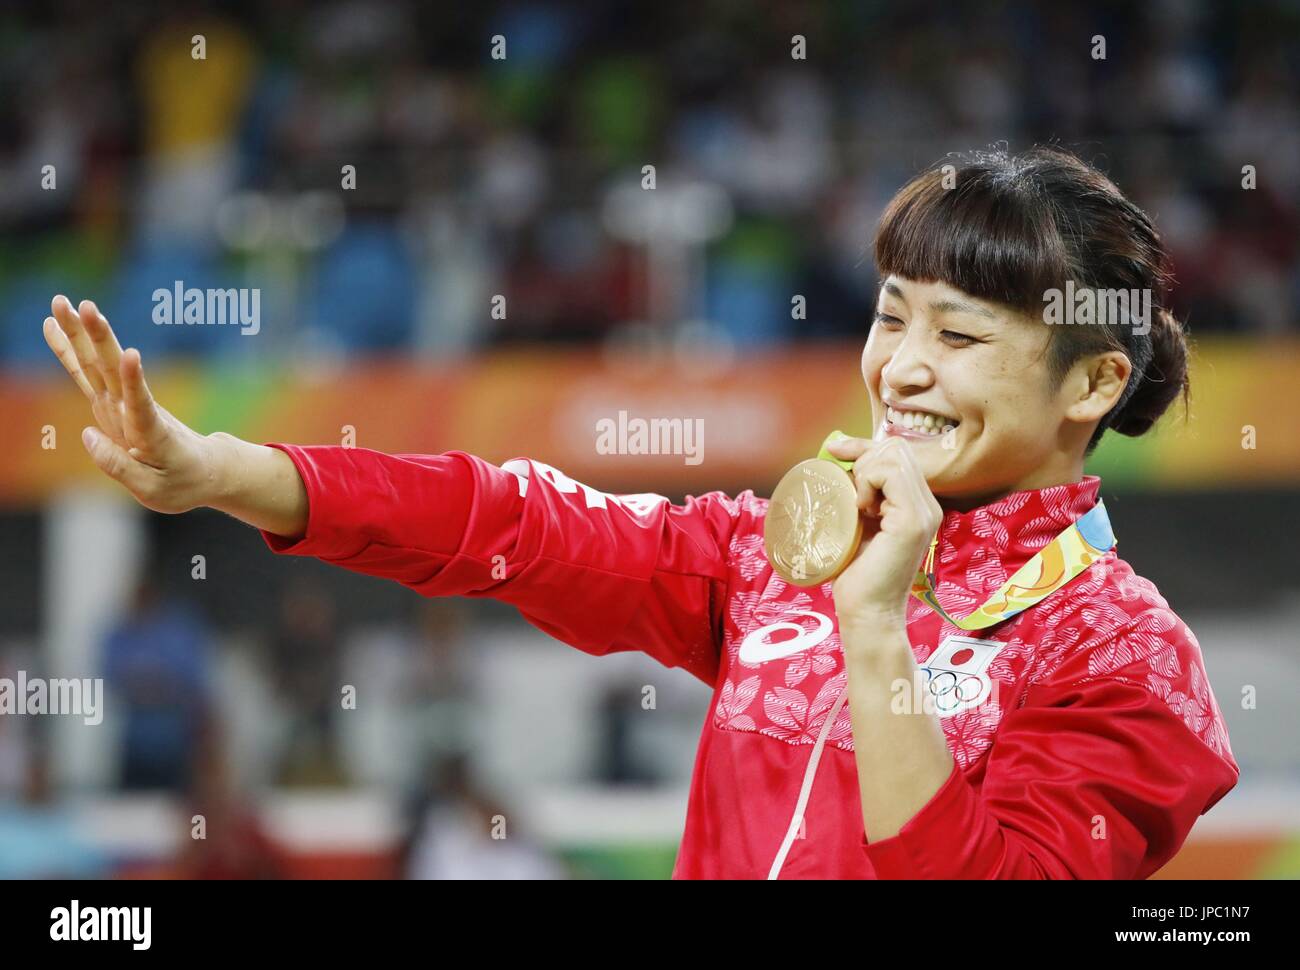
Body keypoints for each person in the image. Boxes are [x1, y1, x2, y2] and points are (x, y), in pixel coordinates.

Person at [43, 145, 1238, 879]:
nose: (904, 368)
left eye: (960, 333)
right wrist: (222, 472)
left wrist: (877, 635)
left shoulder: (1125, 662)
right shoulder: (782, 555)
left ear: (1090, 381)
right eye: (891, 315)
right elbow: (516, 525)